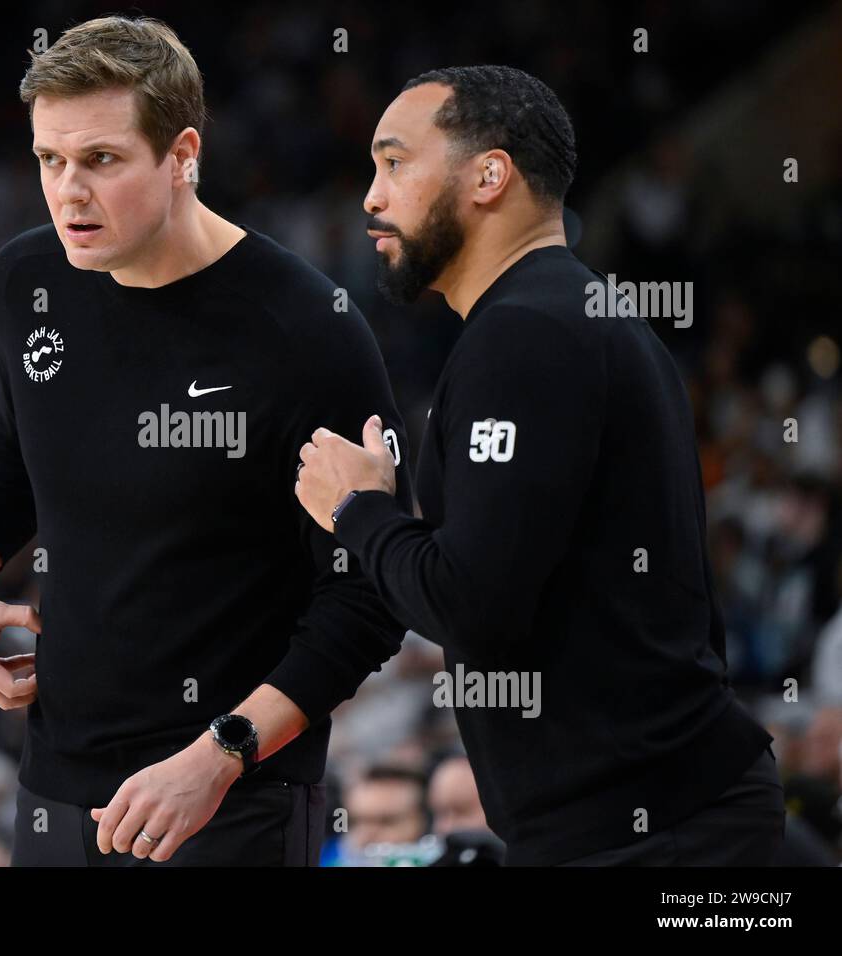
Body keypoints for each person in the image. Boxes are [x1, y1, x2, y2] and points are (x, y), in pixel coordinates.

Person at [0, 16, 410, 866]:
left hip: (230, 800)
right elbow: (12, 451)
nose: (69, 191)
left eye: (101, 160)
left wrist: (219, 757)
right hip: (54, 788)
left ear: (182, 155)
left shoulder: (305, 329)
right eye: (49, 160)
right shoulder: (29, 279)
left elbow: (368, 598)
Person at [295, 65, 783, 865]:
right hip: (654, 815)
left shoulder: (525, 336)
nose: (370, 198)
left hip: (653, 829)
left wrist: (359, 511)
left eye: (394, 162)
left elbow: (469, 604)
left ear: (490, 175)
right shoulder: (578, 315)